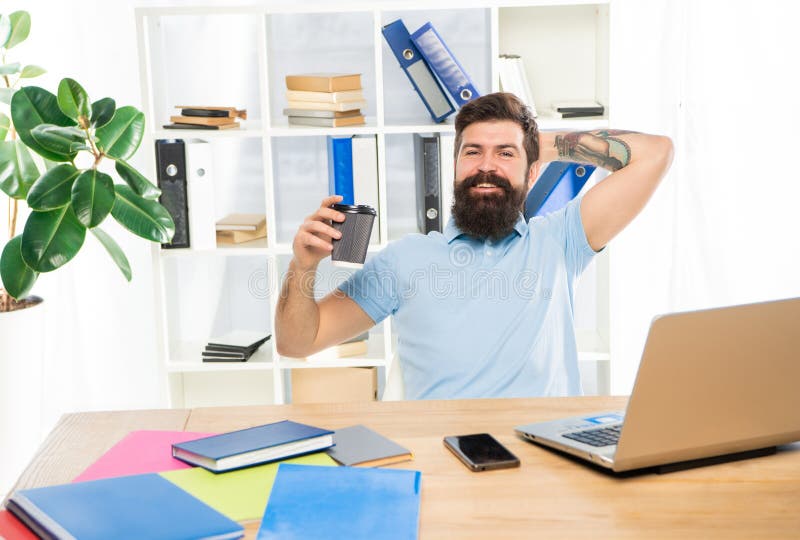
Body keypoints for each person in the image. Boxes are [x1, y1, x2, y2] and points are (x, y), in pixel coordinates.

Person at [275, 92, 673, 400]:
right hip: (443, 461)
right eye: (473, 152)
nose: (487, 166)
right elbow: (297, 342)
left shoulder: (561, 240)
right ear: (455, 167)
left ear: (532, 172)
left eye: (504, 154)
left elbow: (656, 153)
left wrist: (538, 144)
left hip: (545, 462)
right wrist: (303, 265)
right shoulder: (405, 259)